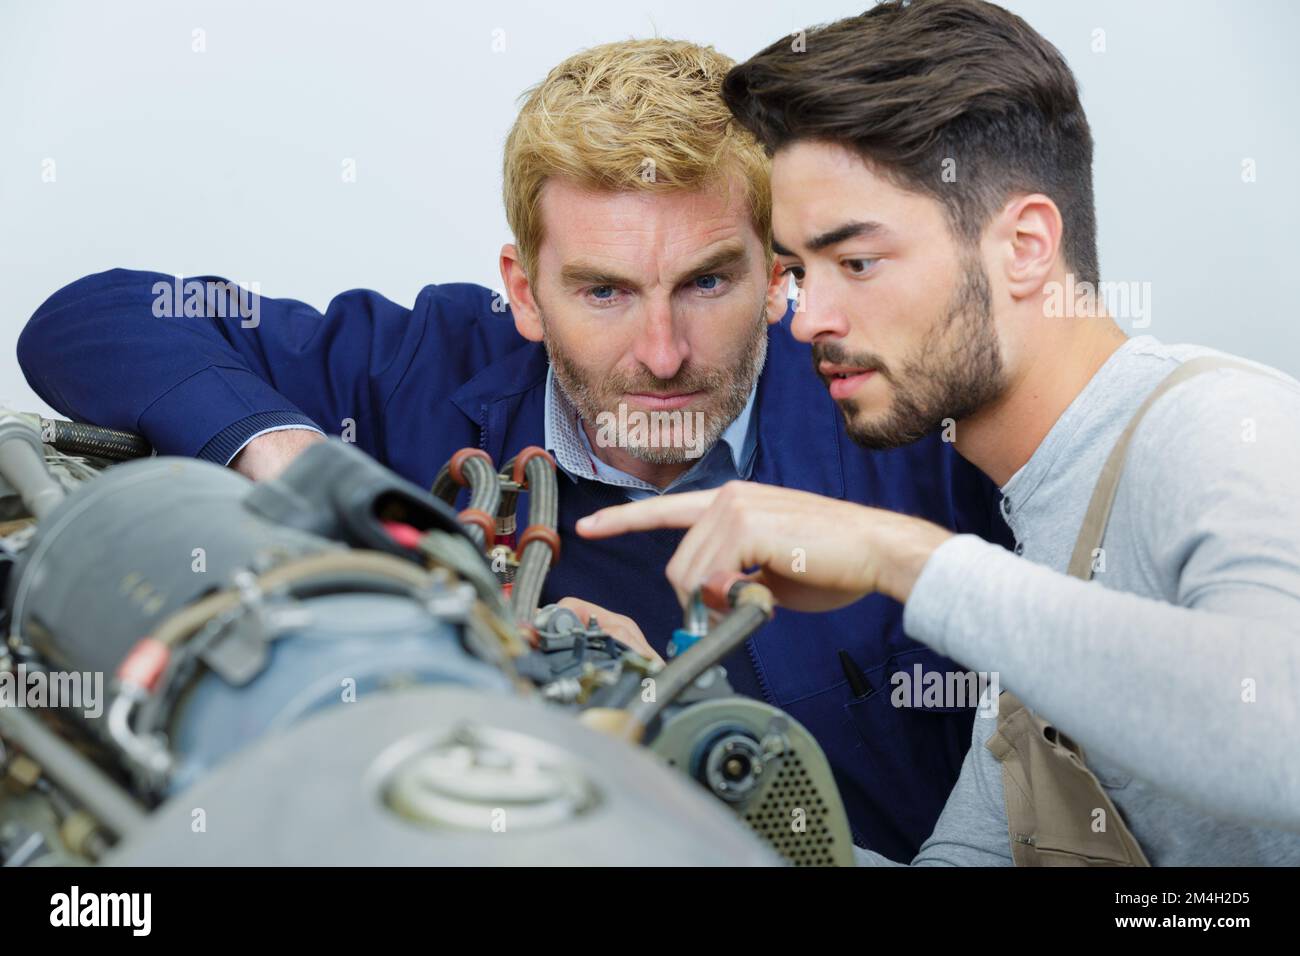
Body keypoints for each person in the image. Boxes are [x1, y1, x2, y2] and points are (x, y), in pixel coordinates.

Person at [16, 38, 1011, 857]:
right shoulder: (415, 370)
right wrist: (290, 461)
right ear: (525, 292)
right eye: (604, 291)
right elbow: (91, 318)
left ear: (777, 272)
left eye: (708, 282)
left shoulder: (899, 411)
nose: (661, 354)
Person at [577, 1, 1300, 862]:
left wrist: (897, 557)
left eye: (856, 262)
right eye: (799, 271)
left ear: (1026, 246)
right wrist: (669, 741)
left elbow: (1279, 732)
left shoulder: (1220, 427)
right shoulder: (1034, 536)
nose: (807, 319)